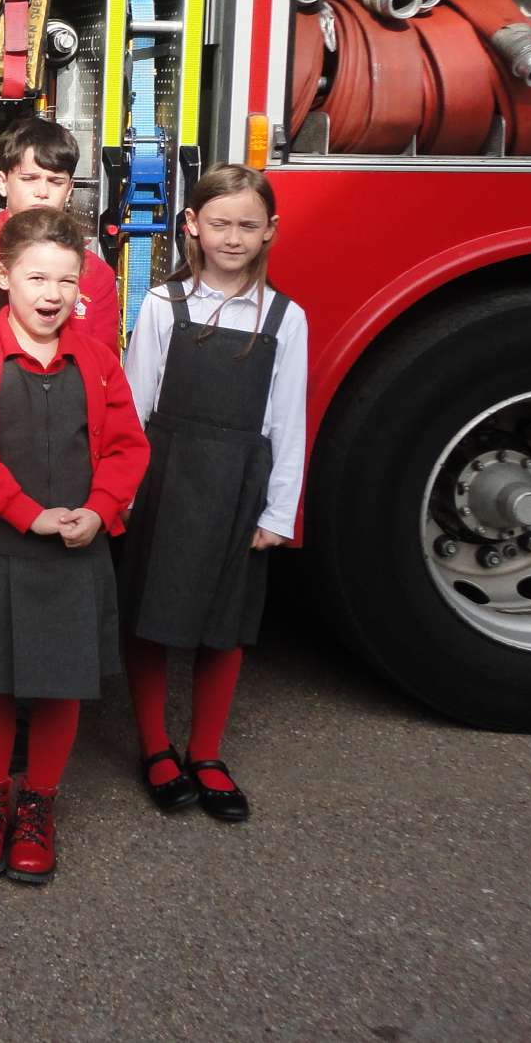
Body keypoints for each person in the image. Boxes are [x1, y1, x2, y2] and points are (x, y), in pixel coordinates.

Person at [0, 207, 148, 885]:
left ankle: (37, 805)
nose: (52, 294)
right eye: (37, 277)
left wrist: (101, 508)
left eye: (67, 281)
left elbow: (126, 447)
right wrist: (26, 513)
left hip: (77, 549)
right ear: (3, 276)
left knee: (61, 685)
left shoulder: (95, 359)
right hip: (0, 548)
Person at [0, 115, 121, 766]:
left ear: (71, 190)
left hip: (57, 450)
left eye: (56, 181)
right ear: (3, 180)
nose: (41, 192)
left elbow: (97, 372)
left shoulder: (89, 274)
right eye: (29, 178)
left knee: (47, 593)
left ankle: (31, 714)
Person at [119, 165, 307, 824]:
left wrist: (278, 511)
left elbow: (287, 419)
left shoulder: (287, 318)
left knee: (222, 626)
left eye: (248, 226)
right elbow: (134, 406)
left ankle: (206, 751)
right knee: (152, 613)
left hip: (237, 485)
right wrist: (124, 495)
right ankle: (155, 747)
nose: (233, 237)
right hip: (165, 477)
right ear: (192, 226)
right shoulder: (161, 306)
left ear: (270, 233)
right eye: (220, 223)